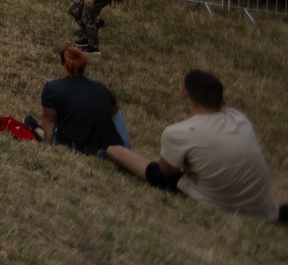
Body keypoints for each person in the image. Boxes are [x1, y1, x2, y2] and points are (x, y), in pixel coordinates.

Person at [106, 70, 279, 220]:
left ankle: (109, 149)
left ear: (184, 93)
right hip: (265, 211)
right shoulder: (240, 119)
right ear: (223, 101)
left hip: (222, 206)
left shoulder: (177, 133)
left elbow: (166, 173)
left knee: (127, 157)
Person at [39, 46, 123, 155]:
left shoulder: (52, 88)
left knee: (40, 131)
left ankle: (33, 126)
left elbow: (50, 120)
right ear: (84, 65)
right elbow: (115, 112)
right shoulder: (101, 88)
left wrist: (47, 147)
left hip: (73, 145)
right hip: (105, 146)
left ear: (63, 64)